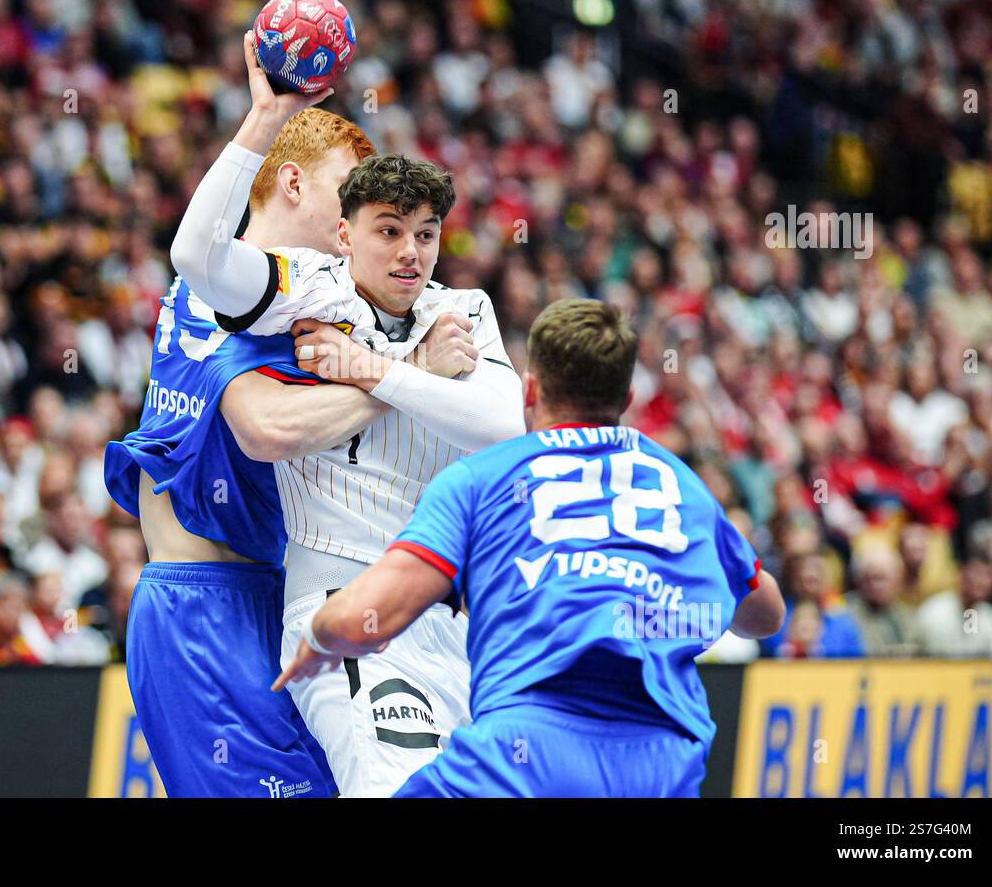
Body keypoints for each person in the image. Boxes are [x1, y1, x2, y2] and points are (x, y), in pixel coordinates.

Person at [103, 36, 482, 797]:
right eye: (348, 200)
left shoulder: (319, 310)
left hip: (280, 599)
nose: (359, 230)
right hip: (208, 605)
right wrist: (409, 376)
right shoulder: (223, 295)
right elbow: (267, 428)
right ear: (292, 185)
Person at [276, 299, 785, 797]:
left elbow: (359, 620)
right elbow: (766, 615)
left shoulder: (484, 477)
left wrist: (319, 639)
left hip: (527, 754)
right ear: (627, 398)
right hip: (665, 760)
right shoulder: (680, 484)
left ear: (531, 389)